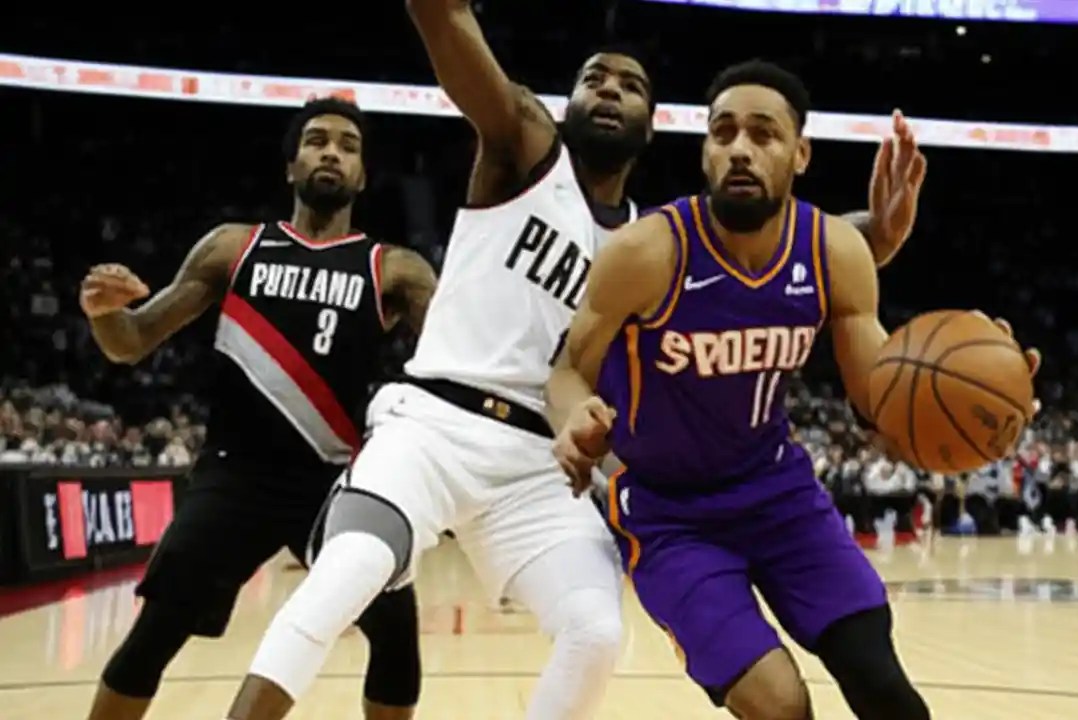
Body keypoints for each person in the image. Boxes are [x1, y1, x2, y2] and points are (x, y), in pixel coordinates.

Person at [223, 4, 925, 720]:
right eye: (595, 79)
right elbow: (446, 29)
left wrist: (876, 236)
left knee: (594, 634)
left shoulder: (650, 243)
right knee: (350, 571)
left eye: (630, 85)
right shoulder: (524, 149)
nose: (611, 90)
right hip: (434, 425)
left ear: (653, 127)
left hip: (544, 463)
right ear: (565, 107)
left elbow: (784, 247)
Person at [547, 60, 1040, 720]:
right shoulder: (649, 251)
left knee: (883, 685)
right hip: (671, 516)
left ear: (800, 153)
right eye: (723, 134)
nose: (740, 149)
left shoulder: (833, 251)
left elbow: (881, 401)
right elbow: (566, 368)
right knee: (780, 706)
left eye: (763, 133)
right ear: (705, 151)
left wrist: (989, 392)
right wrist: (576, 415)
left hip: (779, 495)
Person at [79, 97, 437, 720]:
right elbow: (132, 342)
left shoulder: (396, 270)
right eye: (317, 141)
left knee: (396, 637)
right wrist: (105, 314)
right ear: (291, 166)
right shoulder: (234, 248)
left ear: (363, 175)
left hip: (338, 481)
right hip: (234, 473)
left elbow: (453, 363)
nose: (332, 152)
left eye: (348, 146)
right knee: (156, 632)